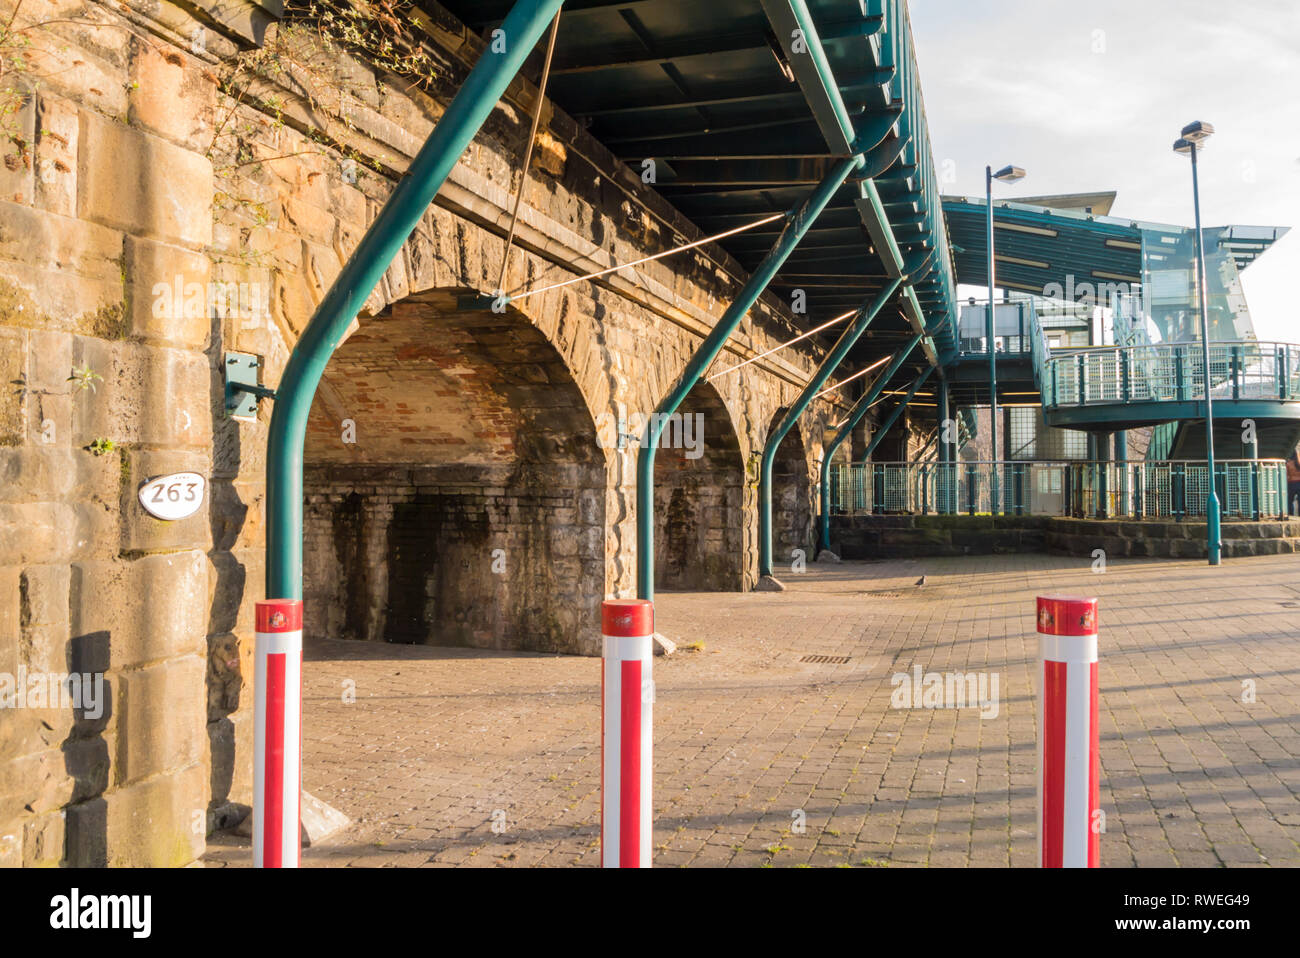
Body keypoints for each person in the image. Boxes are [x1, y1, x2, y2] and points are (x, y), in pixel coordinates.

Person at [1287, 446, 1300, 515]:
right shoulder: (1298, 462)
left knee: (1289, 500)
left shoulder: (1288, 463)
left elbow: (1287, 475)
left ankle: (1290, 514)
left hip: (1291, 483)